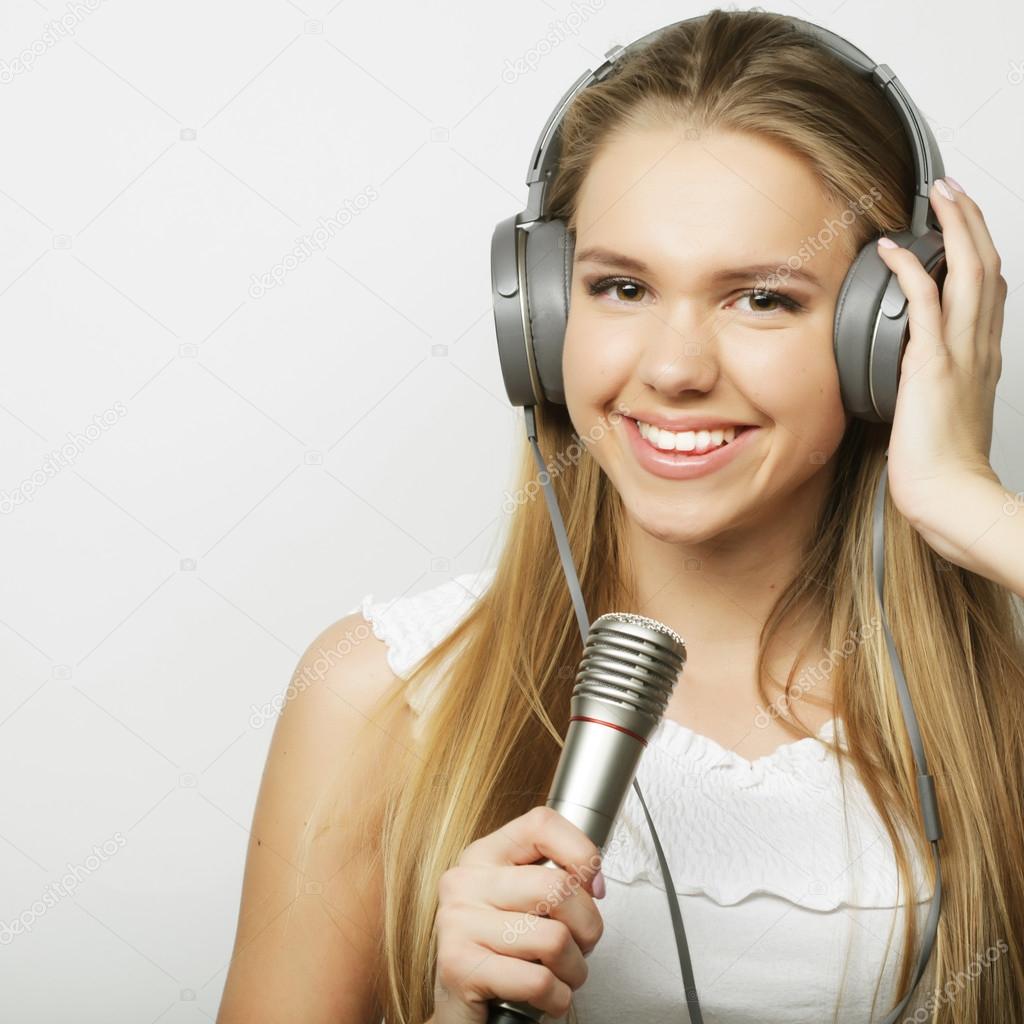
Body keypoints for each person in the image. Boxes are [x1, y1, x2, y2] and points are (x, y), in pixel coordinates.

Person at [216, 9, 1024, 1023]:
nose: (675, 368)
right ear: (542, 313)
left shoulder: (997, 714)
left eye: (762, 299)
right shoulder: (378, 695)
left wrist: (971, 505)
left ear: (887, 336)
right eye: (621, 286)